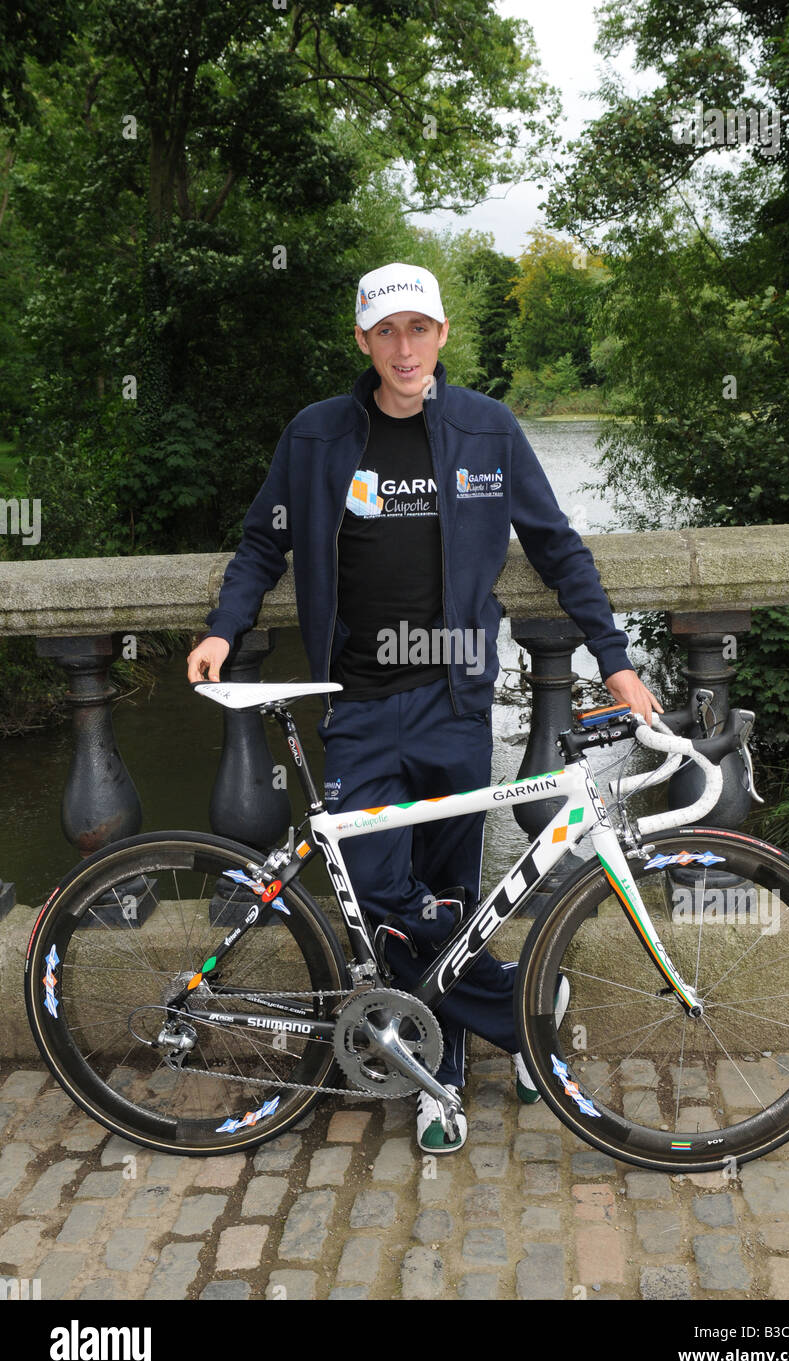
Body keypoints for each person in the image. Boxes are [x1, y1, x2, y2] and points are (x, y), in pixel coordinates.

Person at [187, 260, 661, 1154]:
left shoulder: (485, 428)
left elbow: (558, 548)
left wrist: (616, 660)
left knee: (449, 894)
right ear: (363, 341)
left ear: (441, 335)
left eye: (418, 330)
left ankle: (437, 1072)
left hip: (453, 698)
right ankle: (524, 1012)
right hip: (358, 703)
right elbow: (263, 542)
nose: (403, 349)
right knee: (378, 895)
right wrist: (224, 626)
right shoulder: (319, 435)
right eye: (385, 332)